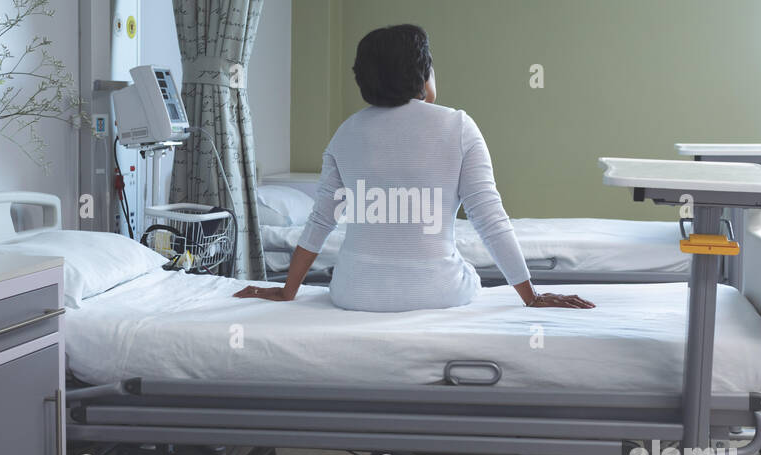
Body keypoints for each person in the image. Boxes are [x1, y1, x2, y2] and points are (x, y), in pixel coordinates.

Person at [235, 24, 594, 312]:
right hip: (437, 292)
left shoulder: (346, 133)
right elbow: (489, 218)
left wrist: (288, 291)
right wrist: (530, 295)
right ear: (423, 74)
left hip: (353, 294)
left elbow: (320, 222)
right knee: (464, 269)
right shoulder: (458, 126)